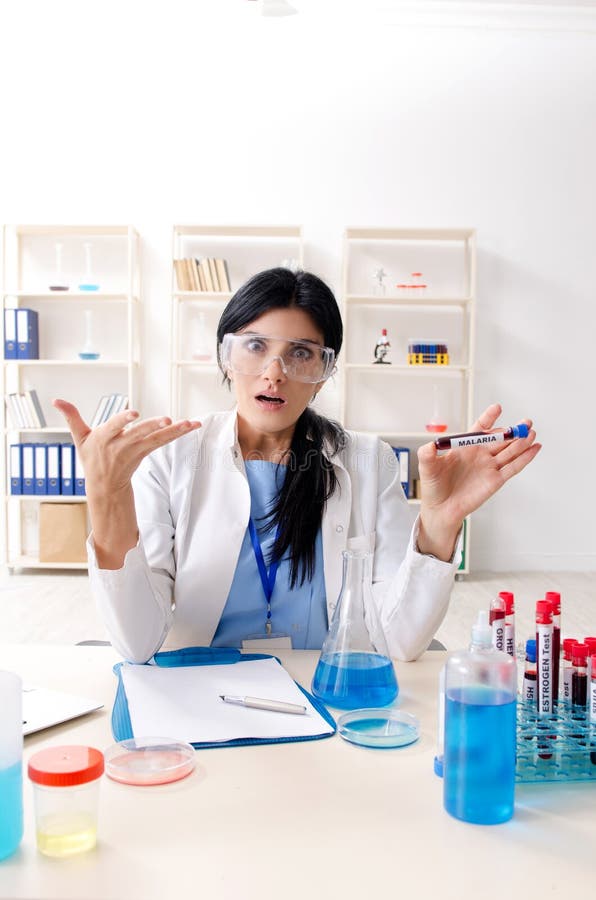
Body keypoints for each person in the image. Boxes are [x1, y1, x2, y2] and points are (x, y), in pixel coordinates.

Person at [54, 268, 541, 664]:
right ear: (226, 357)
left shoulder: (368, 461)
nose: (274, 373)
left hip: (324, 687)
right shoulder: (171, 457)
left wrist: (439, 522)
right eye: (255, 346)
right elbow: (137, 642)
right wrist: (107, 497)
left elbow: (399, 641)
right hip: (201, 684)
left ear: (323, 373)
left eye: (301, 353)